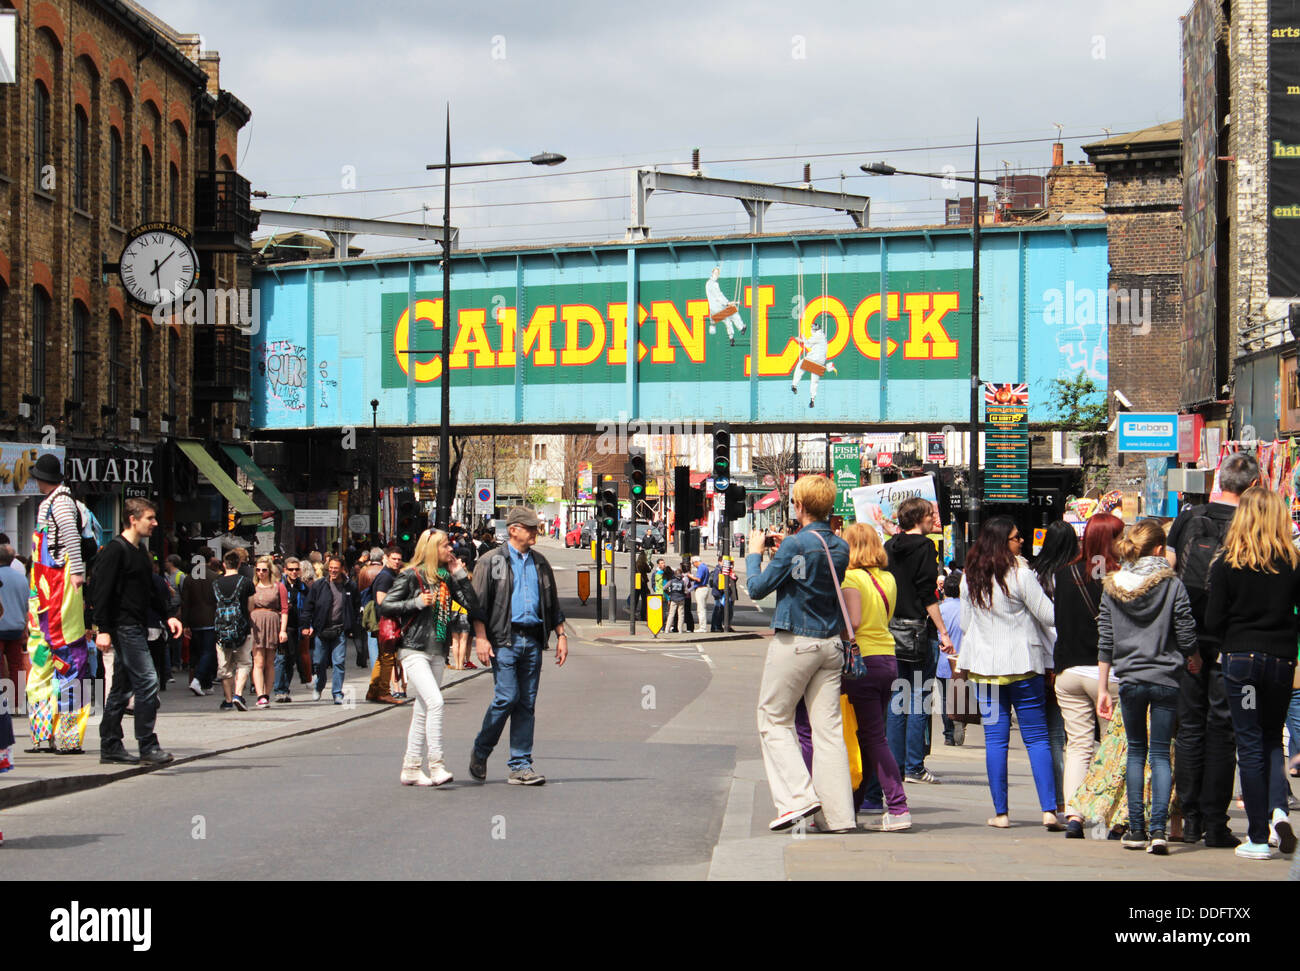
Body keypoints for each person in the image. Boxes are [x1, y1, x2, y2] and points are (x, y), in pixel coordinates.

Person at [744, 474, 855, 834]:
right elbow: (807, 571)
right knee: (828, 732)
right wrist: (786, 549)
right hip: (831, 645)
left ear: (799, 506)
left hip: (797, 642)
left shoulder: (795, 546)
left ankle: (797, 798)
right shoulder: (840, 547)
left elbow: (758, 589)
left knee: (773, 718)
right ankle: (839, 817)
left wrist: (755, 554)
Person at [1165, 450, 1258, 847]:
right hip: (1229, 642)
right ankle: (1216, 822)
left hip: (1186, 640)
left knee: (1189, 727)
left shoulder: (1188, 517)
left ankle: (1188, 817)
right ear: (1253, 486)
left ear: (1217, 481)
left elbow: (1169, 571)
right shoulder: (1251, 525)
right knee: (1223, 729)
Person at [1203, 486, 1300, 860]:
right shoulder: (1293, 563)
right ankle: (1278, 812)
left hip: (1242, 662)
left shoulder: (1229, 563)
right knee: (1273, 739)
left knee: (1248, 742)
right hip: (1280, 662)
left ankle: (1258, 836)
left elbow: (1213, 620)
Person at [1097, 519, 1197, 856]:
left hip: (1131, 680)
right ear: (1158, 549)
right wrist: (1193, 657)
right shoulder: (1173, 585)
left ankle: (1136, 829)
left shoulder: (1113, 586)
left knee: (1136, 752)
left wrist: (1101, 688)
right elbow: (1186, 631)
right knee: (1160, 754)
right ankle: (1159, 830)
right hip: (1167, 678)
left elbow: (1106, 639)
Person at [958, 516, 1061, 830]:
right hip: (1022, 663)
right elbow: (1049, 615)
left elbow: (965, 624)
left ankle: (1001, 813)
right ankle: (1048, 810)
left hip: (984, 668)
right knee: (1037, 738)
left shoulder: (969, 576)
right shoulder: (1020, 574)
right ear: (1004, 542)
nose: (1021, 543)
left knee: (995, 741)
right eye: (1017, 538)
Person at [468, 506, 568, 786]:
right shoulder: (491, 562)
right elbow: (477, 606)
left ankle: (521, 765)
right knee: (506, 698)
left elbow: (552, 603)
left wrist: (561, 635)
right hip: (504, 639)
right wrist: (482, 638)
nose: (536, 532)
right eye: (531, 528)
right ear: (513, 530)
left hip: (533, 640)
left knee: (526, 703)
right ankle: (482, 749)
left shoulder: (540, 563)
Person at [379, 529, 482, 786]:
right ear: (433, 549)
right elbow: (386, 605)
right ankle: (436, 765)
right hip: (414, 648)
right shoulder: (410, 575)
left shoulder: (446, 577)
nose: (451, 550)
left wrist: (459, 573)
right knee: (435, 702)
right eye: (446, 546)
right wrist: (415, 603)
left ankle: (411, 767)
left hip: (437, 649)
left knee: (423, 708)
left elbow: (473, 604)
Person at [91, 498, 181, 765]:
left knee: (120, 689)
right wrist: (103, 629)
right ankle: (147, 745)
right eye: (150, 518)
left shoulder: (141, 551)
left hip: (137, 625)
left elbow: (150, 590)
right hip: (124, 626)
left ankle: (110, 745)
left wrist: (167, 617)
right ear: (133, 519)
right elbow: (101, 591)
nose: (155, 523)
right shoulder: (115, 550)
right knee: (147, 682)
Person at [1053, 512, 1125, 839]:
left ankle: (1074, 814)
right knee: (1115, 746)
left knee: (1078, 745)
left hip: (1068, 672)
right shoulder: (1119, 578)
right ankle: (1113, 817)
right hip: (1106, 673)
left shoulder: (1063, 574)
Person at [839, 523, 911, 830]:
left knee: (873, 738)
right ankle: (852, 806)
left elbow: (852, 622)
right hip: (887, 658)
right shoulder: (888, 578)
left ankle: (898, 806)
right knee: (869, 736)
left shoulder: (850, 578)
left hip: (861, 662)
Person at [881, 496, 953, 787]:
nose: (933, 518)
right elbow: (927, 594)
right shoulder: (926, 547)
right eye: (929, 514)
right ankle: (914, 765)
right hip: (917, 631)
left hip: (890, 630)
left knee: (897, 699)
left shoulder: (889, 547)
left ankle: (895, 765)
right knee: (919, 699)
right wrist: (944, 632)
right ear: (919, 518)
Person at [25, 454, 93, 753]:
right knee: (46, 661)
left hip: (56, 591)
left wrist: (77, 574)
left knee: (67, 660)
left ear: (42, 479)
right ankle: (49, 735)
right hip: (46, 594)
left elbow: (71, 541)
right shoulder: (55, 502)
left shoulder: (62, 504)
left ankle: (60, 737)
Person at [1029, 520, 1079, 816]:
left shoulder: (1034, 576)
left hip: (1044, 665)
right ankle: (1077, 801)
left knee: (1053, 736)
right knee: (1079, 739)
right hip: (1075, 659)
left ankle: (1058, 801)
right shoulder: (1077, 575)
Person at [303, 556, 359, 704]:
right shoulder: (319, 585)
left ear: (342, 569)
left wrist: (352, 626)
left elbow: (355, 606)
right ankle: (319, 687)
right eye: (331, 568)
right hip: (321, 630)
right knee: (319, 662)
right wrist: (306, 625)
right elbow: (309, 607)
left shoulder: (350, 586)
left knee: (339, 662)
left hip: (339, 630)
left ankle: (337, 693)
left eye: (336, 568)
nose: (333, 571)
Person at [212, 550, 255, 711]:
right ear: (239, 564)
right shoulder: (246, 582)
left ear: (224, 564)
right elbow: (251, 607)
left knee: (225, 666)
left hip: (222, 630)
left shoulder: (216, 583)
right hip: (242, 628)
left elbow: (214, 606)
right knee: (244, 662)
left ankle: (228, 699)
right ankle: (238, 694)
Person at [366, 547, 406, 704]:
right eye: (394, 558)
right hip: (386, 621)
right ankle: (384, 691)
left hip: (384, 620)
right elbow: (381, 600)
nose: (396, 562)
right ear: (386, 558)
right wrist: (402, 605)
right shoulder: (385, 577)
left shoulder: (388, 575)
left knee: (382, 657)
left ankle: (373, 690)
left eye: (399, 559)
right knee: (389, 657)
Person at [248, 556, 288, 709]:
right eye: (258, 570)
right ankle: (260, 695)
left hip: (272, 623)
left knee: (270, 662)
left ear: (270, 570)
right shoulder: (252, 586)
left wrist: (283, 630)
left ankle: (266, 693)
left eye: (264, 570)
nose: (261, 573)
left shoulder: (278, 587)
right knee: (258, 661)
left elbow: (284, 610)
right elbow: (248, 607)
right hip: (256, 623)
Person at [182, 557, 221, 696]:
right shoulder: (215, 577)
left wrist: (185, 623)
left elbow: (185, 603)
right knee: (208, 651)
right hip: (211, 619)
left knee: (198, 652)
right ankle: (198, 680)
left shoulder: (189, 579)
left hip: (194, 620)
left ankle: (205, 683)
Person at [274, 557, 309, 701]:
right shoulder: (279, 586)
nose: (294, 572)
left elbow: (308, 608)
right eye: (291, 569)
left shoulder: (303, 587)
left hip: (296, 628)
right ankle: (279, 690)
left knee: (290, 660)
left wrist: (307, 625)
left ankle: (285, 689)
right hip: (282, 627)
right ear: (285, 570)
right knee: (281, 658)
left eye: (296, 569)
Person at [937, 571, 965, 746]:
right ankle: (960, 720)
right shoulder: (967, 609)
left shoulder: (939, 610)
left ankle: (948, 734)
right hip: (964, 661)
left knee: (945, 699)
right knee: (962, 695)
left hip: (944, 661)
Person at [690, 555, 710, 631]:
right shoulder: (705, 566)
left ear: (696, 562)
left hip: (700, 589)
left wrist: (690, 576)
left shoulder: (701, 568)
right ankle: (703, 626)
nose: (693, 565)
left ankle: (702, 627)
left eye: (693, 563)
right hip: (705, 588)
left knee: (700, 609)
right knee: (703, 608)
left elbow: (698, 579)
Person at [664, 567, 686, 633]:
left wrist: (669, 594)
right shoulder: (683, 582)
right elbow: (686, 591)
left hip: (673, 599)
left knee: (671, 614)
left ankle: (667, 629)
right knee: (681, 615)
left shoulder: (671, 581)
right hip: (681, 599)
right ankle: (680, 630)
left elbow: (664, 588)